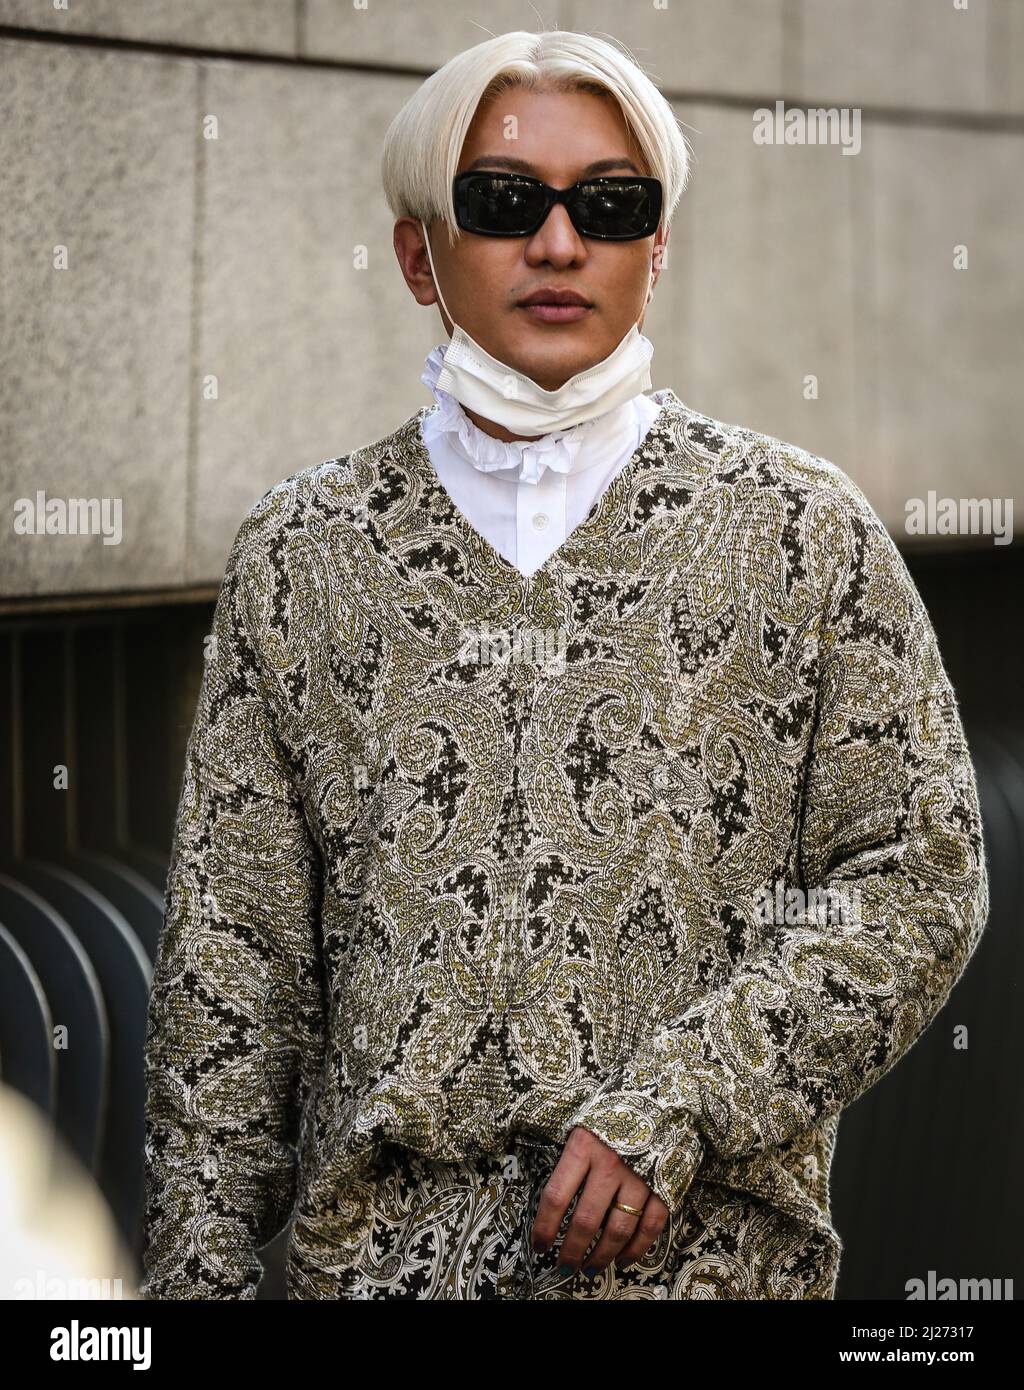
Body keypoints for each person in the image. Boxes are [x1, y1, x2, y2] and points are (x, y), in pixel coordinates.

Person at [139, 28, 989, 1301]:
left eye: (608, 204)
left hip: (708, 1272)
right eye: (501, 201)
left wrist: (680, 1100)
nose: (556, 243)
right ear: (417, 251)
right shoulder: (303, 552)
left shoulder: (800, 529)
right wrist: (188, 1286)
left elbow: (920, 877)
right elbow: (235, 956)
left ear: (659, 246)